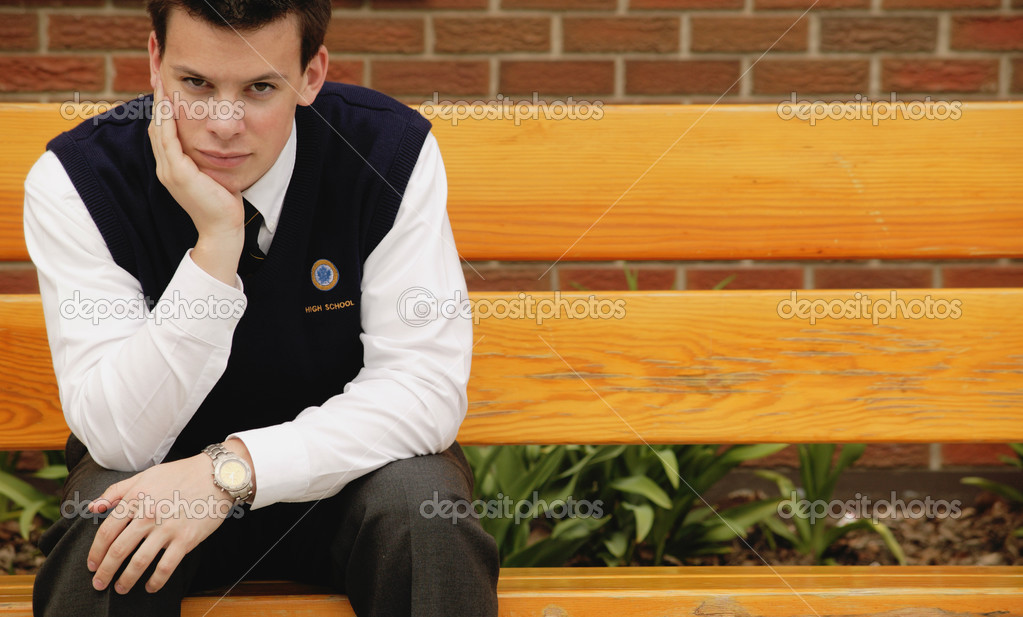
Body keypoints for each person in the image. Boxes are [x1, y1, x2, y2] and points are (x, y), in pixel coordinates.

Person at [23, 1, 499, 615]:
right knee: (111, 526)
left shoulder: (387, 153)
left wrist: (233, 471)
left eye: (259, 88)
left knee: (423, 506)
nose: (224, 123)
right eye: (195, 84)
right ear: (154, 63)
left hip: (350, 483)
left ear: (312, 75)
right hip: (162, 487)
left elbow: (422, 389)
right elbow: (120, 439)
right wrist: (217, 244)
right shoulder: (81, 181)